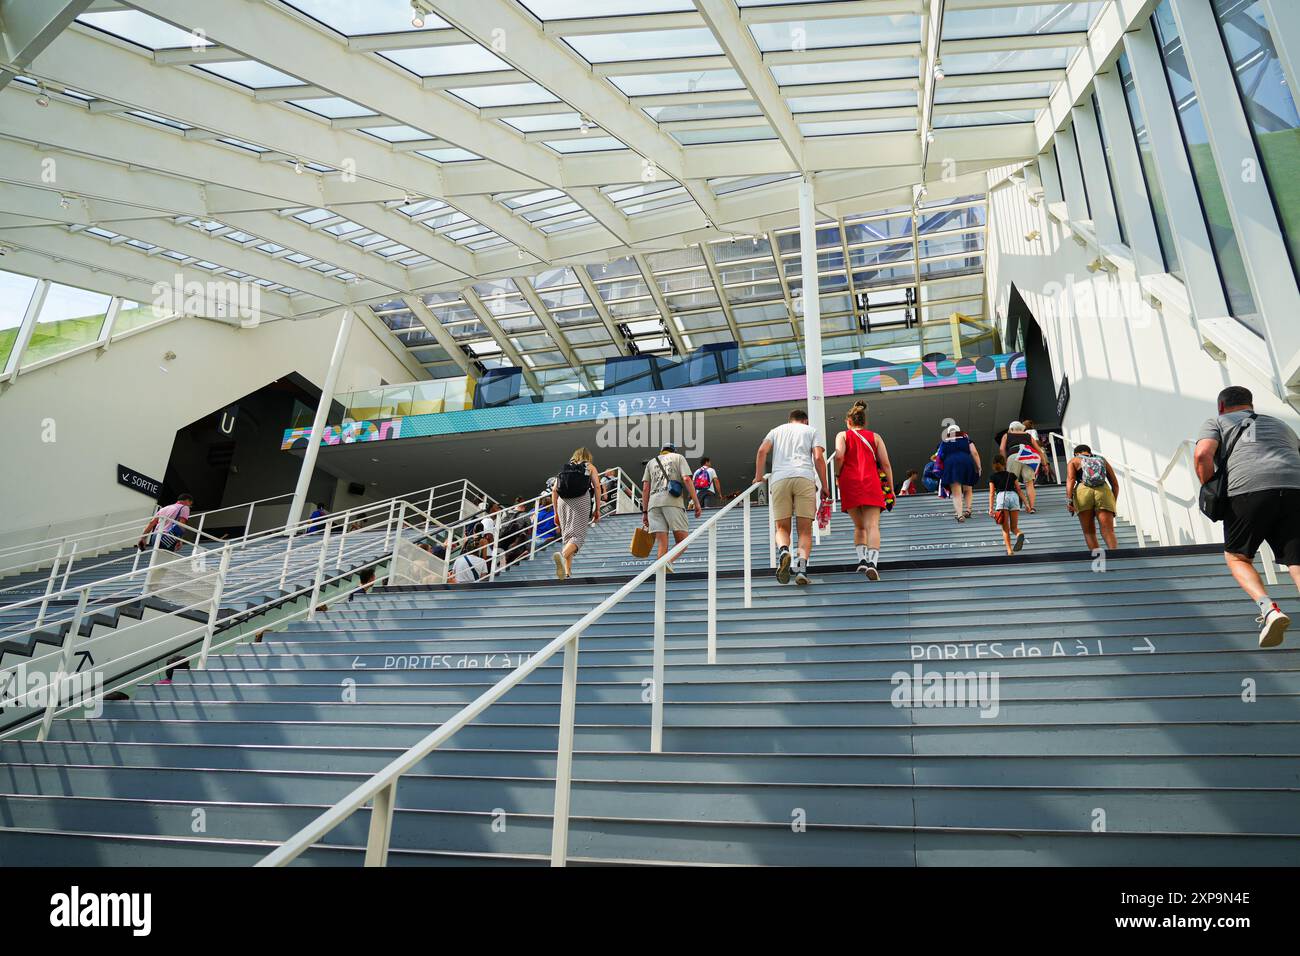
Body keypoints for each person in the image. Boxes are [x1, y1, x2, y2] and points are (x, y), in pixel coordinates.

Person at [1194, 385, 1300, 648]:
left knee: (1237, 556)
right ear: (1250, 404)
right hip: (1295, 488)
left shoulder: (1217, 421)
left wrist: (1208, 486)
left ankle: (1269, 610)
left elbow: (1202, 454)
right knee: (1297, 560)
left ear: (1221, 406)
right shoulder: (1281, 424)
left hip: (1248, 490)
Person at [754, 409, 829, 586]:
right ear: (805, 420)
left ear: (790, 420)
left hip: (779, 479)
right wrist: (825, 485)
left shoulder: (776, 431)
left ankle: (783, 551)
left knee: (781, 527)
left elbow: (761, 451)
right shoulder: (811, 431)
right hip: (804, 478)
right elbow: (818, 457)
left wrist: (758, 477)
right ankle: (801, 569)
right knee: (804, 530)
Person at [833, 401, 893, 580]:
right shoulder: (875, 437)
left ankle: (861, 561)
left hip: (849, 483)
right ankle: (872, 564)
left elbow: (839, 455)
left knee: (859, 526)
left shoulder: (842, 435)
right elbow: (886, 464)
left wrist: (838, 475)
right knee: (872, 525)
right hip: (871, 482)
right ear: (864, 421)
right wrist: (890, 488)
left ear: (848, 421)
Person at [642, 442, 701, 572]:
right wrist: (696, 503)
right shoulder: (678, 457)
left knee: (662, 545)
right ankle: (665, 563)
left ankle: (660, 571)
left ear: (661, 451)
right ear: (673, 450)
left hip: (654, 505)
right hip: (673, 503)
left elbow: (645, 488)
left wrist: (645, 512)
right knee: (683, 542)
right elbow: (686, 479)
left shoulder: (651, 463)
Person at [552, 447, 602, 580]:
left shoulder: (566, 468)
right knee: (578, 536)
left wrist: (555, 512)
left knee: (568, 537)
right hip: (581, 500)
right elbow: (597, 486)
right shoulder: (589, 466)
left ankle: (567, 572)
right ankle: (562, 556)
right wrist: (597, 508)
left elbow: (554, 490)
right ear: (588, 457)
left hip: (563, 502)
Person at [1065, 444, 1120, 551]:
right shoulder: (1101, 460)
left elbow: (1071, 480)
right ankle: (1115, 556)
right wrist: (1113, 502)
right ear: (1089, 452)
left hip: (1082, 491)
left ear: (1076, 453)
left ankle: (1098, 559)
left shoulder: (1074, 460)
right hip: (1103, 491)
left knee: (1089, 532)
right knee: (1108, 530)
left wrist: (1069, 500)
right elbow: (1115, 484)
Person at [938, 424, 981, 521]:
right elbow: (974, 452)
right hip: (966, 462)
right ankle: (968, 510)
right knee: (968, 488)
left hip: (951, 464)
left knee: (956, 492)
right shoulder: (966, 439)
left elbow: (939, 457)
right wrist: (979, 466)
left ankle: (960, 515)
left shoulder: (944, 442)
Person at [1001, 421, 1046, 513]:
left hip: (1013, 456)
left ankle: (1013, 506)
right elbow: (1039, 450)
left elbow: (1001, 449)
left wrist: (1004, 461)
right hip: (1028, 456)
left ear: (1011, 428)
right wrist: (1045, 464)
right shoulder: (1028, 436)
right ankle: (1032, 507)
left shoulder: (1007, 435)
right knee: (1029, 483)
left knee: (1012, 482)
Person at [987, 455, 1027, 555]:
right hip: (1014, 497)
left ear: (993, 466)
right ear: (1005, 464)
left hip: (1002, 497)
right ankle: (1019, 533)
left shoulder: (993, 477)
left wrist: (991, 508)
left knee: (1005, 528)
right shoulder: (1012, 475)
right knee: (1014, 527)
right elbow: (1018, 489)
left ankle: (1009, 551)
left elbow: (992, 493)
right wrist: (1027, 504)